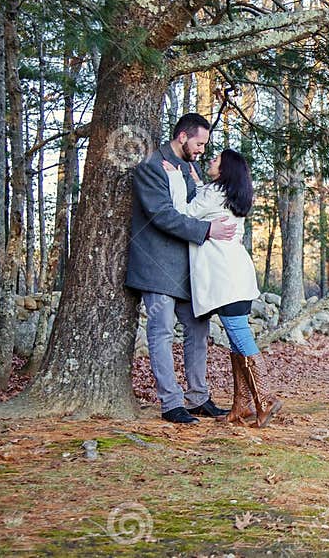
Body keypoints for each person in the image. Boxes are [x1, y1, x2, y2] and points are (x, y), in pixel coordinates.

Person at [125, 113, 236, 424]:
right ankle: (171, 402)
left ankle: (198, 397)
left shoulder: (190, 167)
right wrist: (206, 231)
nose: (202, 150)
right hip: (156, 263)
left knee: (198, 328)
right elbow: (161, 214)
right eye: (199, 143)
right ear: (183, 137)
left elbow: (196, 205)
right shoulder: (151, 166)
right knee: (160, 331)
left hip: (190, 265)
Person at [163, 148, 284, 428]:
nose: (210, 160)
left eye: (216, 159)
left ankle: (265, 398)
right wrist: (196, 181)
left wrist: (177, 180)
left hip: (224, 278)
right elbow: (207, 204)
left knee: (240, 337)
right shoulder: (230, 194)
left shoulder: (214, 193)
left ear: (225, 168)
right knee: (236, 340)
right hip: (238, 274)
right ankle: (241, 405)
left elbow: (183, 213)